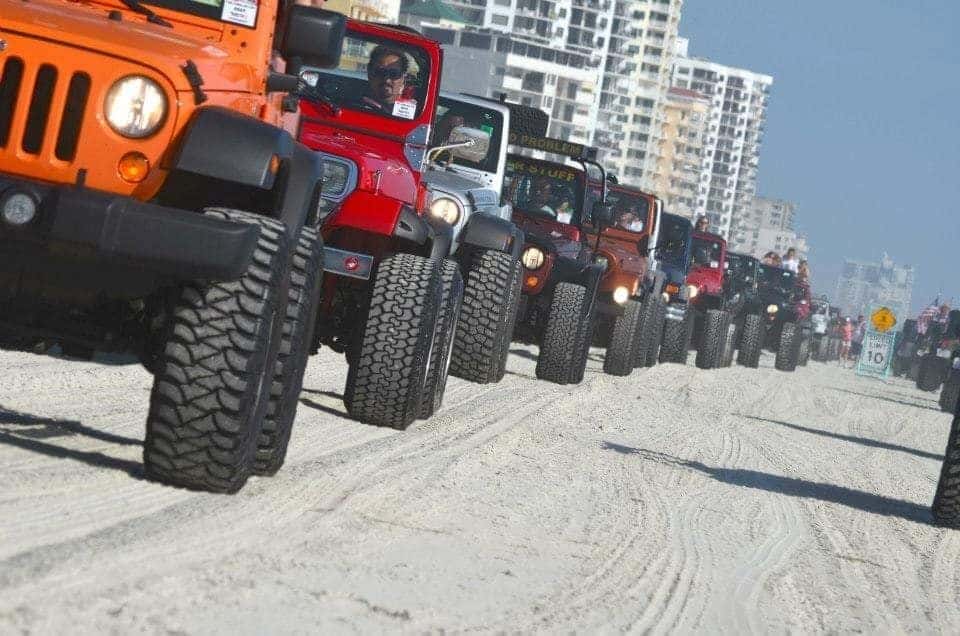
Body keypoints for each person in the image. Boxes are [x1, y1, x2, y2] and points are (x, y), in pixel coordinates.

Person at [362, 45, 410, 114]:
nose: (386, 80)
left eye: (394, 74)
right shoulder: (354, 105)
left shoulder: (412, 113)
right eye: (380, 72)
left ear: (403, 79)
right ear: (369, 74)